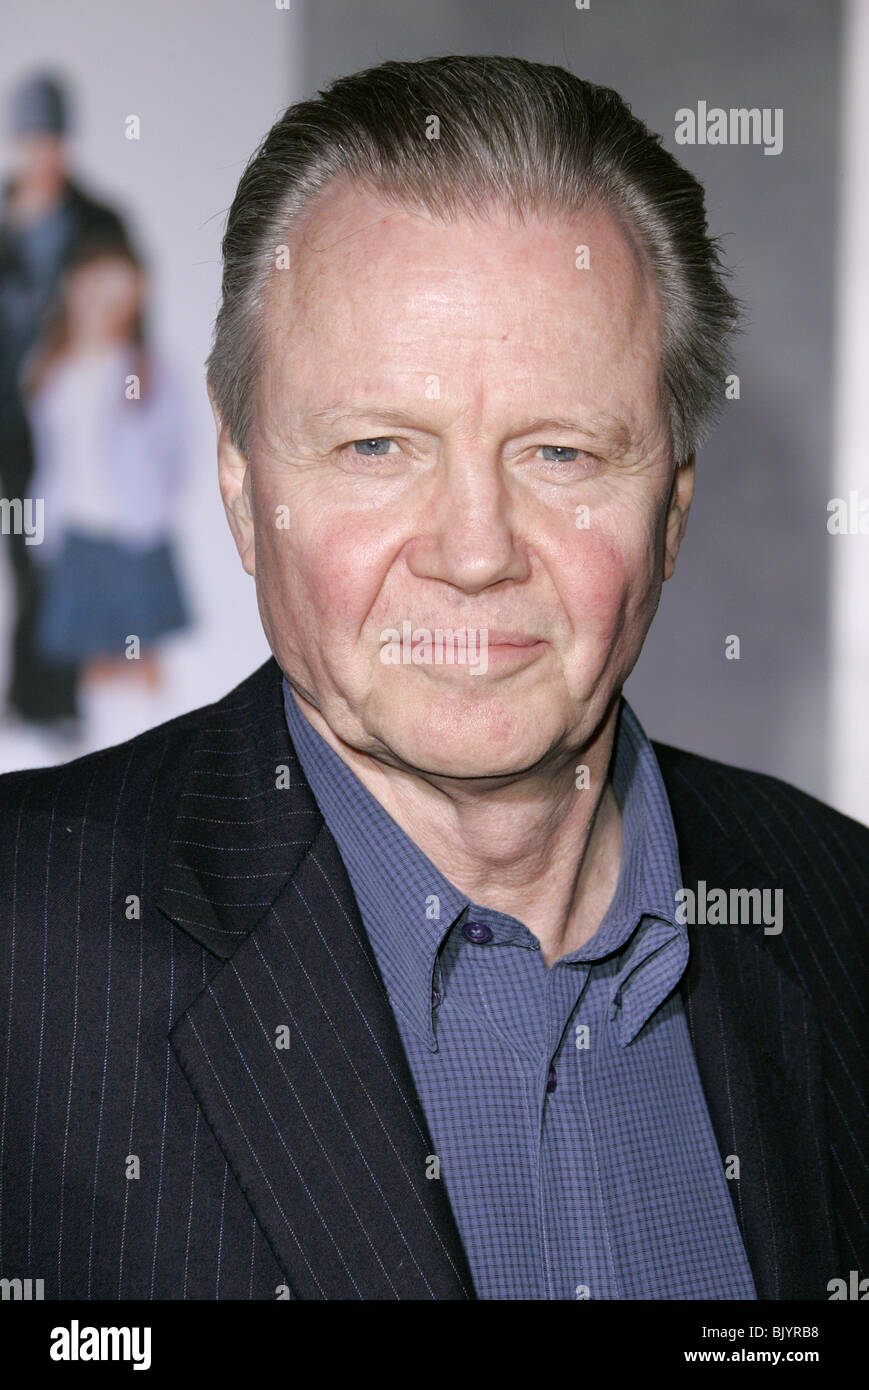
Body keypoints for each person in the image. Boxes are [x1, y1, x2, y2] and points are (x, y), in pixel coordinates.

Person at [0, 56, 865, 1302]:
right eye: (376, 446)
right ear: (244, 488)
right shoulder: (26, 959)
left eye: (561, 451)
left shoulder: (840, 916)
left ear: (671, 507)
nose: (473, 551)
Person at [0, 72, 130, 729]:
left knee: (46, 561)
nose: (41, 152)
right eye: (31, 137)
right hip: (5, 430)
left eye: (50, 137)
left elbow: (129, 322)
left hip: (65, 435)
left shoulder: (98, 224)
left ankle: (43, 704)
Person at [22, 237, 190, 697]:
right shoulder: (51, 368)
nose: (108, 308)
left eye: (121, 296)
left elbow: (174, 449)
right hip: (77, 531)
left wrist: (152, 497)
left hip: (133, 532)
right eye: (97, 292)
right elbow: (49, 452)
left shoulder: (145, 369)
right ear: (73, 290)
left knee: (143, 657)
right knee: (93, 662)